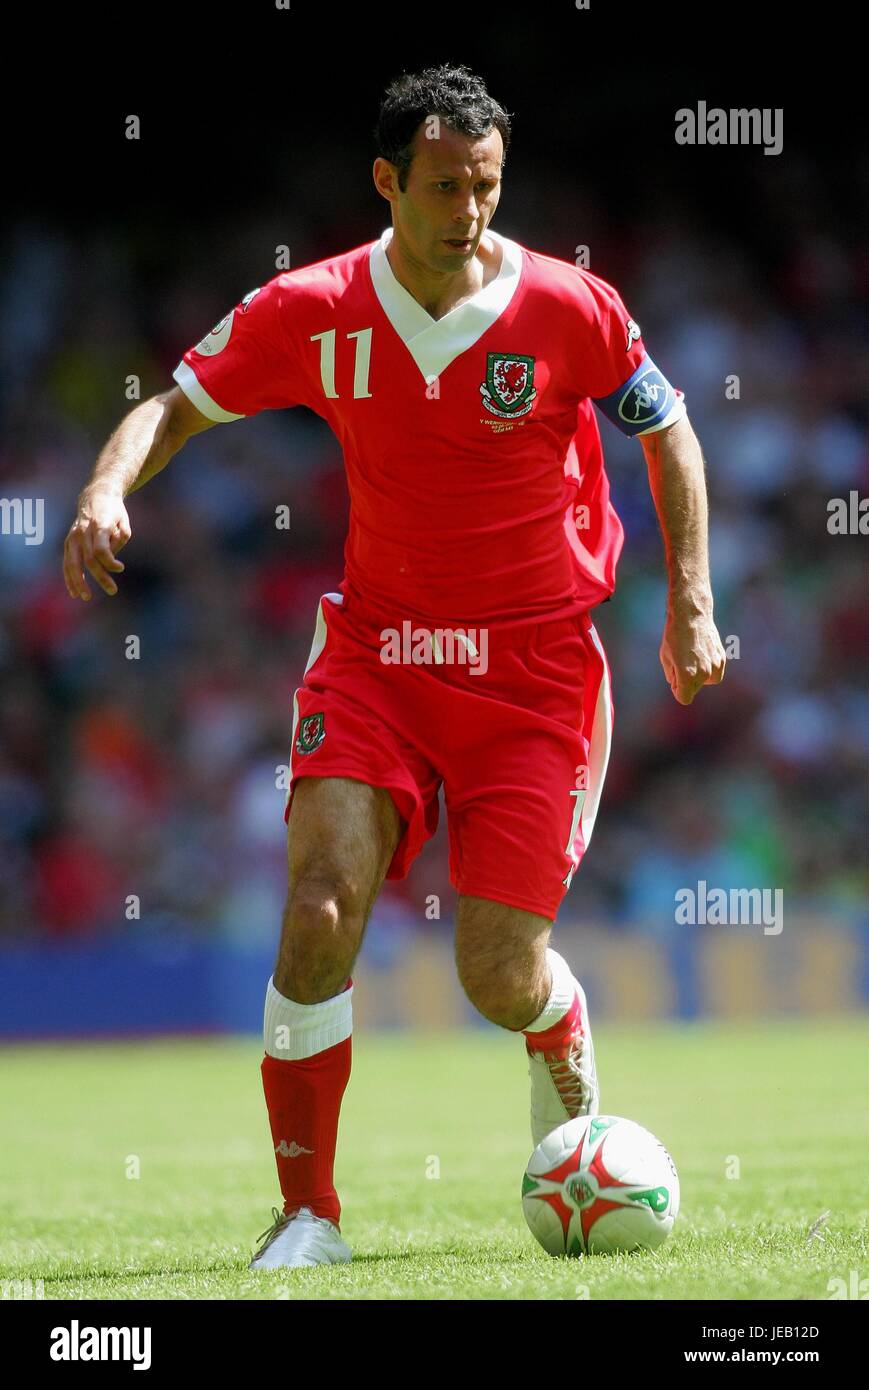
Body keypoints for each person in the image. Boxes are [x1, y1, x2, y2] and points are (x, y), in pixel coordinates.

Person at [62, 63, 726, 1269]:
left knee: (493, 971)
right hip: (379, 655)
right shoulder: (311, 308)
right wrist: (105, 488)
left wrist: (688, 596)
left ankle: (558, 1026)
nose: (467, 209)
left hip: (534, 682)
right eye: (441, 187)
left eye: (485, 184)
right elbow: (174, 404)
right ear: (386, 182)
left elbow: (666, 425)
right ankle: (307, 1215)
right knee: (317, 906)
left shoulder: (570, 307)